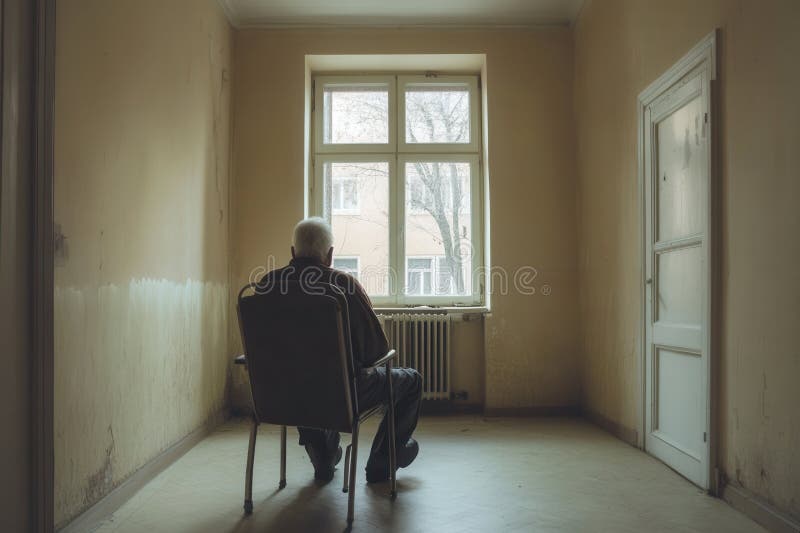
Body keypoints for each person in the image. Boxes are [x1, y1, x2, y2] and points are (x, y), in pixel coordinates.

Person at [257, 217, 422, 483]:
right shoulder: (343, 286)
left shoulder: (266, 286)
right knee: (411, 380)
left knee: (298, 373)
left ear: (292, 252)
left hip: (279, 397)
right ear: (331, 255)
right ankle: (382, 463)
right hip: (341, 396)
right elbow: (375, 352)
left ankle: (323, 458)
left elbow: (262, 351)